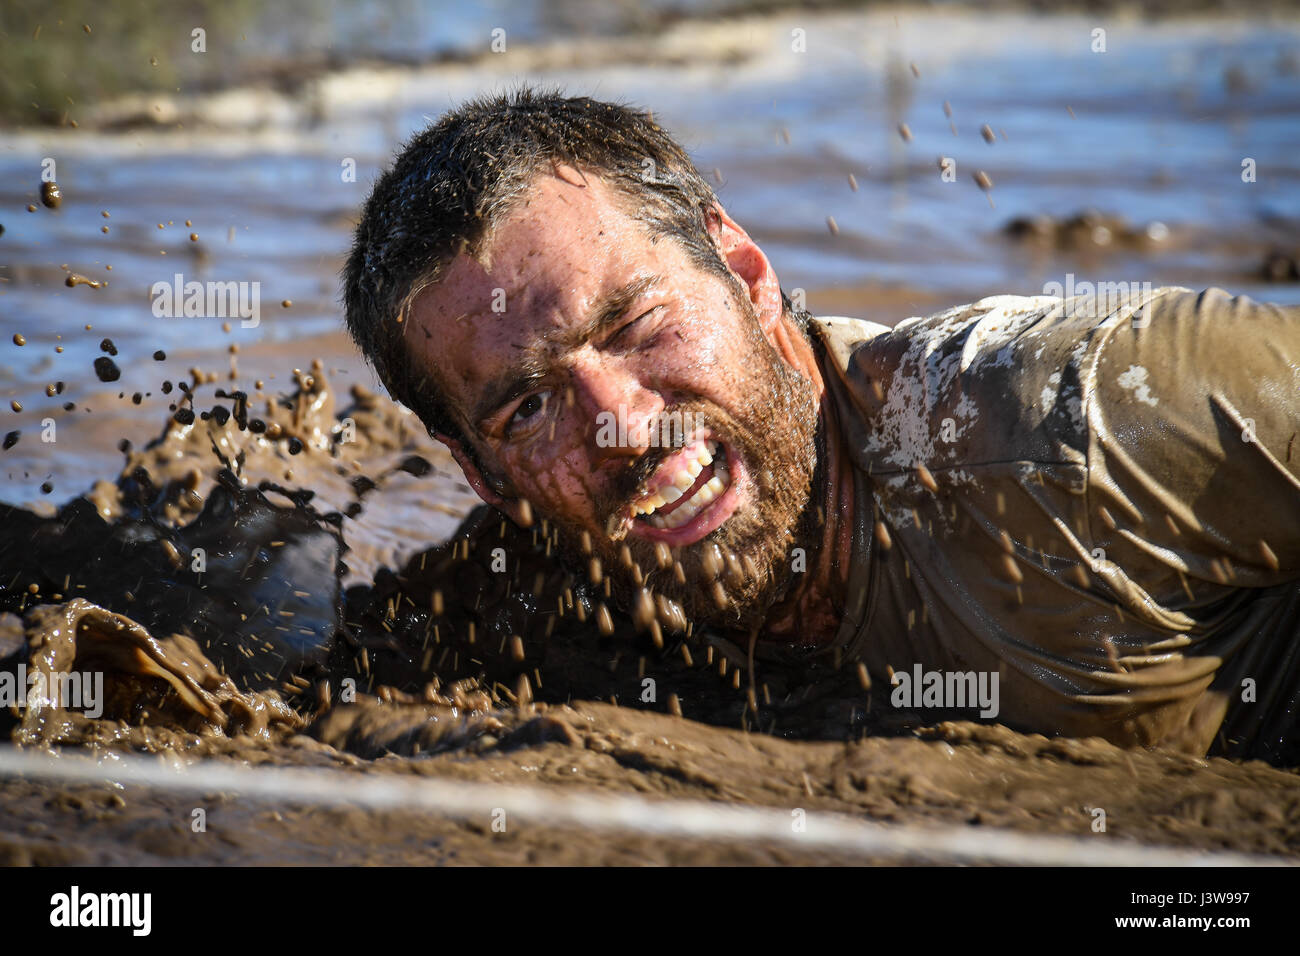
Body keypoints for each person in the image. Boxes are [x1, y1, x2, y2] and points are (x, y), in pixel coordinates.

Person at [343, 86, 1300, 762]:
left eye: (636, 325)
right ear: (482, 474)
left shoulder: (1080, 418)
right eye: (531, 407)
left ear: (748, 275)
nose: (626, 433)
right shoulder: (533, 591)